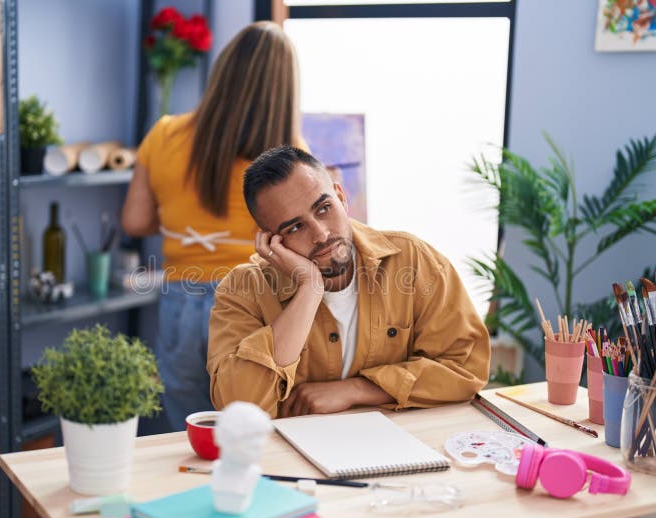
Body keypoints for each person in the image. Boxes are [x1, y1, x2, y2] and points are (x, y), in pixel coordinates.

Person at [207, 146, 490, 418]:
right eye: (295, 227)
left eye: (323, 208)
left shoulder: (412, 260)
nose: (321, 234)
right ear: (271, 240)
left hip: (396, 445)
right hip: (291, 458)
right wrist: (310, 289)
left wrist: (358, 389)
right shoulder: (243, 290)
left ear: (341, 197)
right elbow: (239, 409)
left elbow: (466, 370)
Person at [121, 22, 308, 431]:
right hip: (251, 302)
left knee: (186, 427)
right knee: (250, 425)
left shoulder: (165, 133)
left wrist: (183, 220)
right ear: (285, 89)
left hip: (180, 299)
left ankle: (190, 494)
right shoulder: (291, 157)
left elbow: (135, 221)